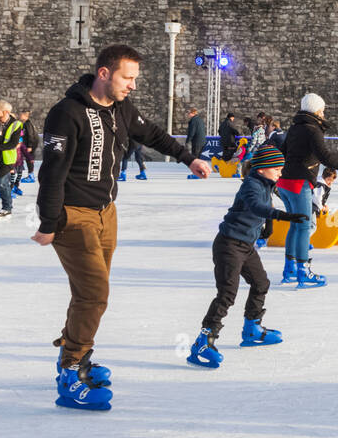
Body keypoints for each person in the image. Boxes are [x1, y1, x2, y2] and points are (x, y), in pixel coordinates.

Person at [33, 43, 211, 411]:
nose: (132, 85)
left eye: (134, 79)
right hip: (73, 214)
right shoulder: (66, 113)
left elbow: (154, 134)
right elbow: (52, 170)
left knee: (89, 294)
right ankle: (69, 372)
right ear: (104, 73)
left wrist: (188, 157)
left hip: (106, 213)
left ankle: (76, 356)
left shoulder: (121, 109)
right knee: (94, 293)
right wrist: (49, 221)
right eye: (127, 78)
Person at [187, 145, 308, 368]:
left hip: (246, 245)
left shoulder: (266, 183)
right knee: (227, 294)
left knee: (261, 283)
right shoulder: (252, 185)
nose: (281, 173)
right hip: (228, 245)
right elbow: (257, 207)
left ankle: (252, 329)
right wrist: (285, 216)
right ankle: (203, 341)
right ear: (262, 169)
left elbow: (266, 205)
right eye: (277, 169)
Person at [277, 92, 338, 289]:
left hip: (284, 182)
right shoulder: (312, 130)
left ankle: (289, 269)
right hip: (298, 183)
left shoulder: (295, 127)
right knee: (302, 227)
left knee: (295, 226)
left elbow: (282, 152)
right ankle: (303, 271)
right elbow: (327, 158)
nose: (324, 112)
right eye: (323, 109)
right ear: (316, 110)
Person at [17, 109, 39, 184]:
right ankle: (30, 175)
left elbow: (30, 135)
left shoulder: (28, 124)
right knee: (29, 159)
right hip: (31, 144)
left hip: (31, 144)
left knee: (29, 160)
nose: (19, 116)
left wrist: (29, 146)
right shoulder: (27, 123)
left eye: (21, 114)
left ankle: (31, 176)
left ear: (24, 115)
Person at [185, 108, 206, 178]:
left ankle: (197, 174)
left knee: (195, 158)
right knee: (198, 158)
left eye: (189, 113)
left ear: (192, 113)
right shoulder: (200, 119)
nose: (188, 115)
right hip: (202, 141)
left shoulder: (193, 120)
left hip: (197, 141)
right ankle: (199, 172)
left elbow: (192, 132)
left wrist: (188, 141)